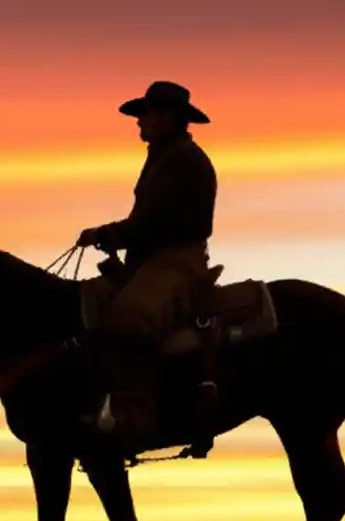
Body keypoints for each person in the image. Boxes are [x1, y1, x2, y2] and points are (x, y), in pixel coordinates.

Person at [76, 81, 219, 458]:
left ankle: (136, 419)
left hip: (177, 259)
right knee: (90, 301)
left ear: (169, 118)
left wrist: (109, 233)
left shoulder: (185, 161)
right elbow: (148, 220)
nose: (139, 121)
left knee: (130, 314)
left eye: (147, 114)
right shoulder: (163, 155)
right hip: (151, 258)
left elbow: (158, 223)